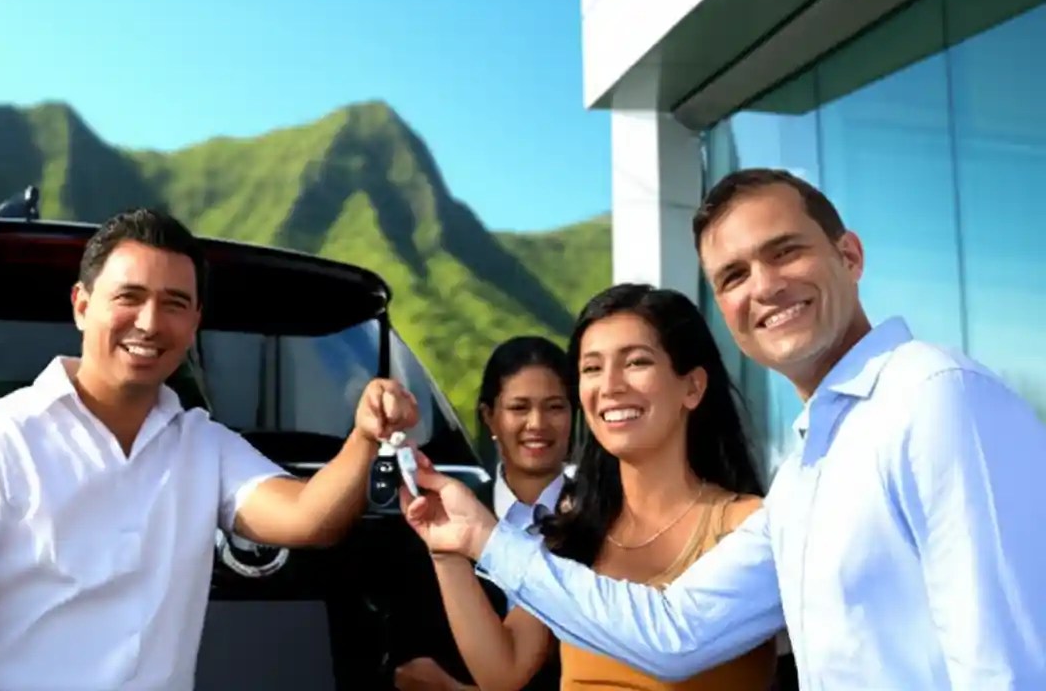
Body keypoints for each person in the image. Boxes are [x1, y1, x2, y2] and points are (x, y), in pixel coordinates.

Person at [399, 168, 1046, 690]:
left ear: (849, 255)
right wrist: (478, 538)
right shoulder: (809, 470)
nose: (763, 287)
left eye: (785, 251)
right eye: (733, 275)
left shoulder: (935, 397)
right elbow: (674, 634)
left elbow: (1008, 667)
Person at [0, 208, 420, 691]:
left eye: (174, 304)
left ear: (194, 324)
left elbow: (309, 517)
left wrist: (363, 436)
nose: (149, 323)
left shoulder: (203, 444)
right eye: (129, 297)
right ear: (82, 305)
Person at [402, 286, 776, 690]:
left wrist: (485, 538)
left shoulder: (750, 526)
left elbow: (670, 642)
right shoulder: (580, 526)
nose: (610, 386)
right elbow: (502, 672)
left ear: (692, 387)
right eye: (592, 368)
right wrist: (448, 549)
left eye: (636, 362)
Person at [394, 335, 574, 691]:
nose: (537, 423)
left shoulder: (596, 518)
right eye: (519, 408)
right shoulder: (442, 517)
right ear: (489, 417)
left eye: (555, 407)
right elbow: (412, 667)